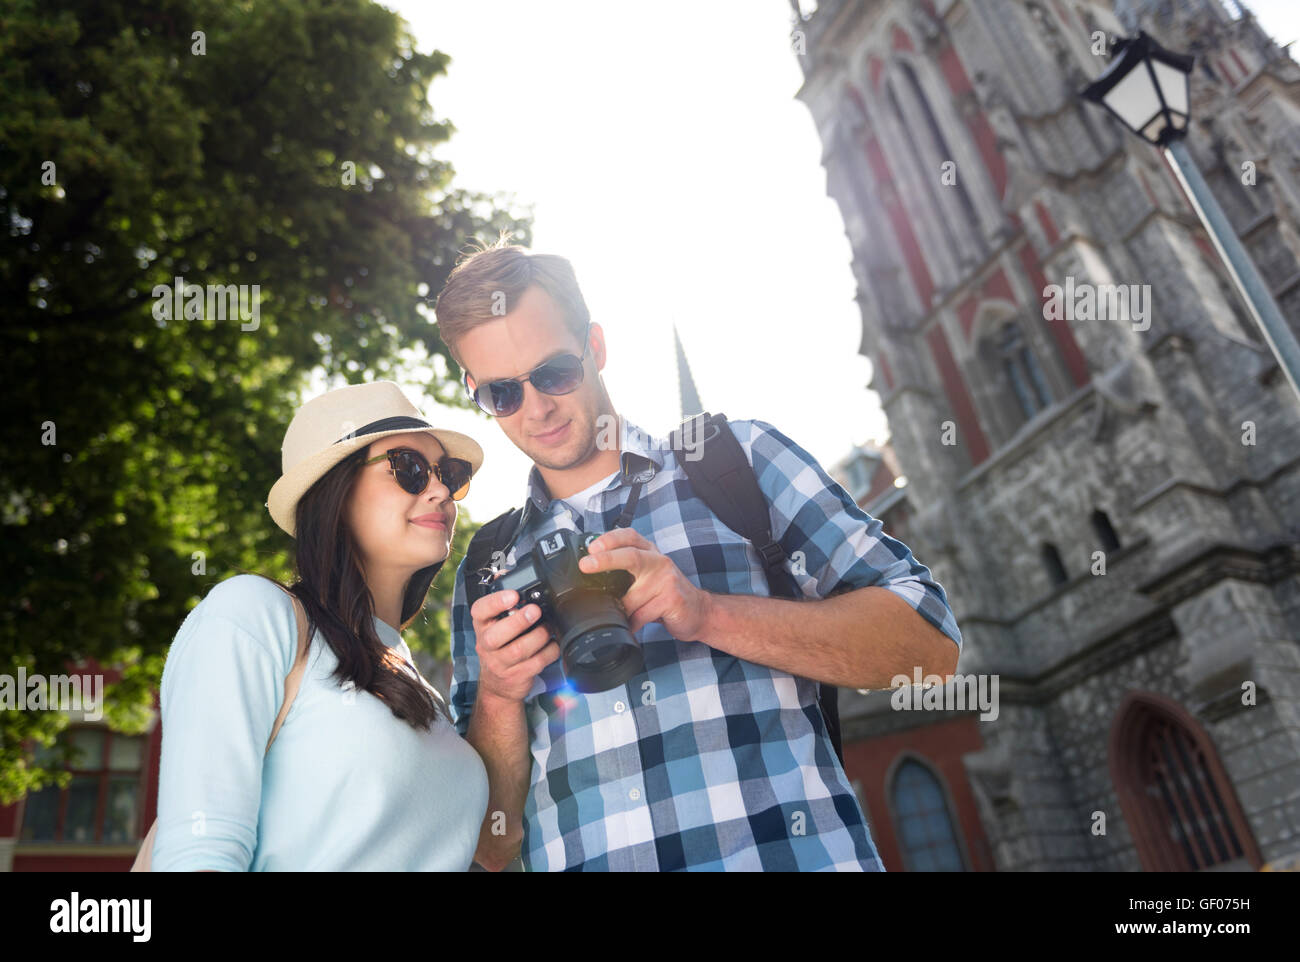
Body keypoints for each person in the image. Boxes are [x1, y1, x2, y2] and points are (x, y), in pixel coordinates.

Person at [436, 238, 964, 871]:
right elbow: (493, 847)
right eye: (502, 394)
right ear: (475, 391)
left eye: (554, 373)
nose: (537, 407)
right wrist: (498, 695)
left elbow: (931, 653)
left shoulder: (738, 462)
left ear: (595, 347)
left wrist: (706, 612)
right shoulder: (487, 567)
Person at [148, 380, 490, 870]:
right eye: (409, 469)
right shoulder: (253, 614)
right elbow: (201, 854)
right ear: (335, 490)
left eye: (449, 473)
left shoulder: (428, 698)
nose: (440, 490)